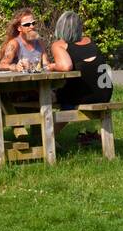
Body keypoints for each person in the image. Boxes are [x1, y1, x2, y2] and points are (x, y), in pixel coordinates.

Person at [48, 11, 113, 145]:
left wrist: (51, 66)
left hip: (83, 95)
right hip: (104, 94)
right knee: (67, 95)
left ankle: (46, 137)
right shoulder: (90, 41)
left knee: (48, 96)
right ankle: (50, 136)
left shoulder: (60, 45)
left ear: (60, 27)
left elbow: (65, 67)